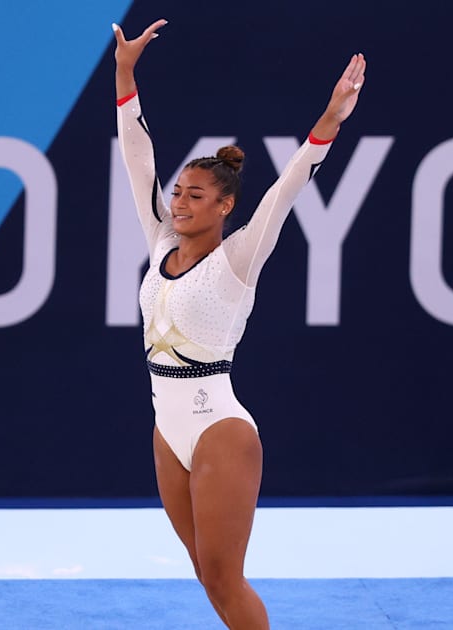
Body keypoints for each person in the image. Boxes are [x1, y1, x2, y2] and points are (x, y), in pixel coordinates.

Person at [113, 18, 365, 629]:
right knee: (208, 575)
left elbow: (289, 187)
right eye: (179, 193)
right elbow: (137, 157)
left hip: (219, 429)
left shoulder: (239, 257)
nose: (179, 202)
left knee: (224, 576)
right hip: (166, 428)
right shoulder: (161, 241)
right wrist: (125, 74)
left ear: (225, 206)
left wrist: (330, 120)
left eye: (196, 196)